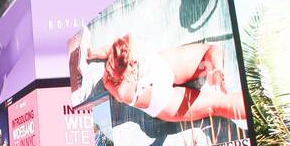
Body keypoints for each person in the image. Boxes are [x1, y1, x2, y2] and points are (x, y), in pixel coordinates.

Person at [85, 35, 247, 124]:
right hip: (163, 100)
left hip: (162, 70)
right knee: (218, 104)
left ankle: (215, 70)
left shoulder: (121, 89)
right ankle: (215, 70)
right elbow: (114, 52)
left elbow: (107, 79)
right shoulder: (123, 91)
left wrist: (96, 57)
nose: (108, 68)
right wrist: (96, 55)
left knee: (211, 51)